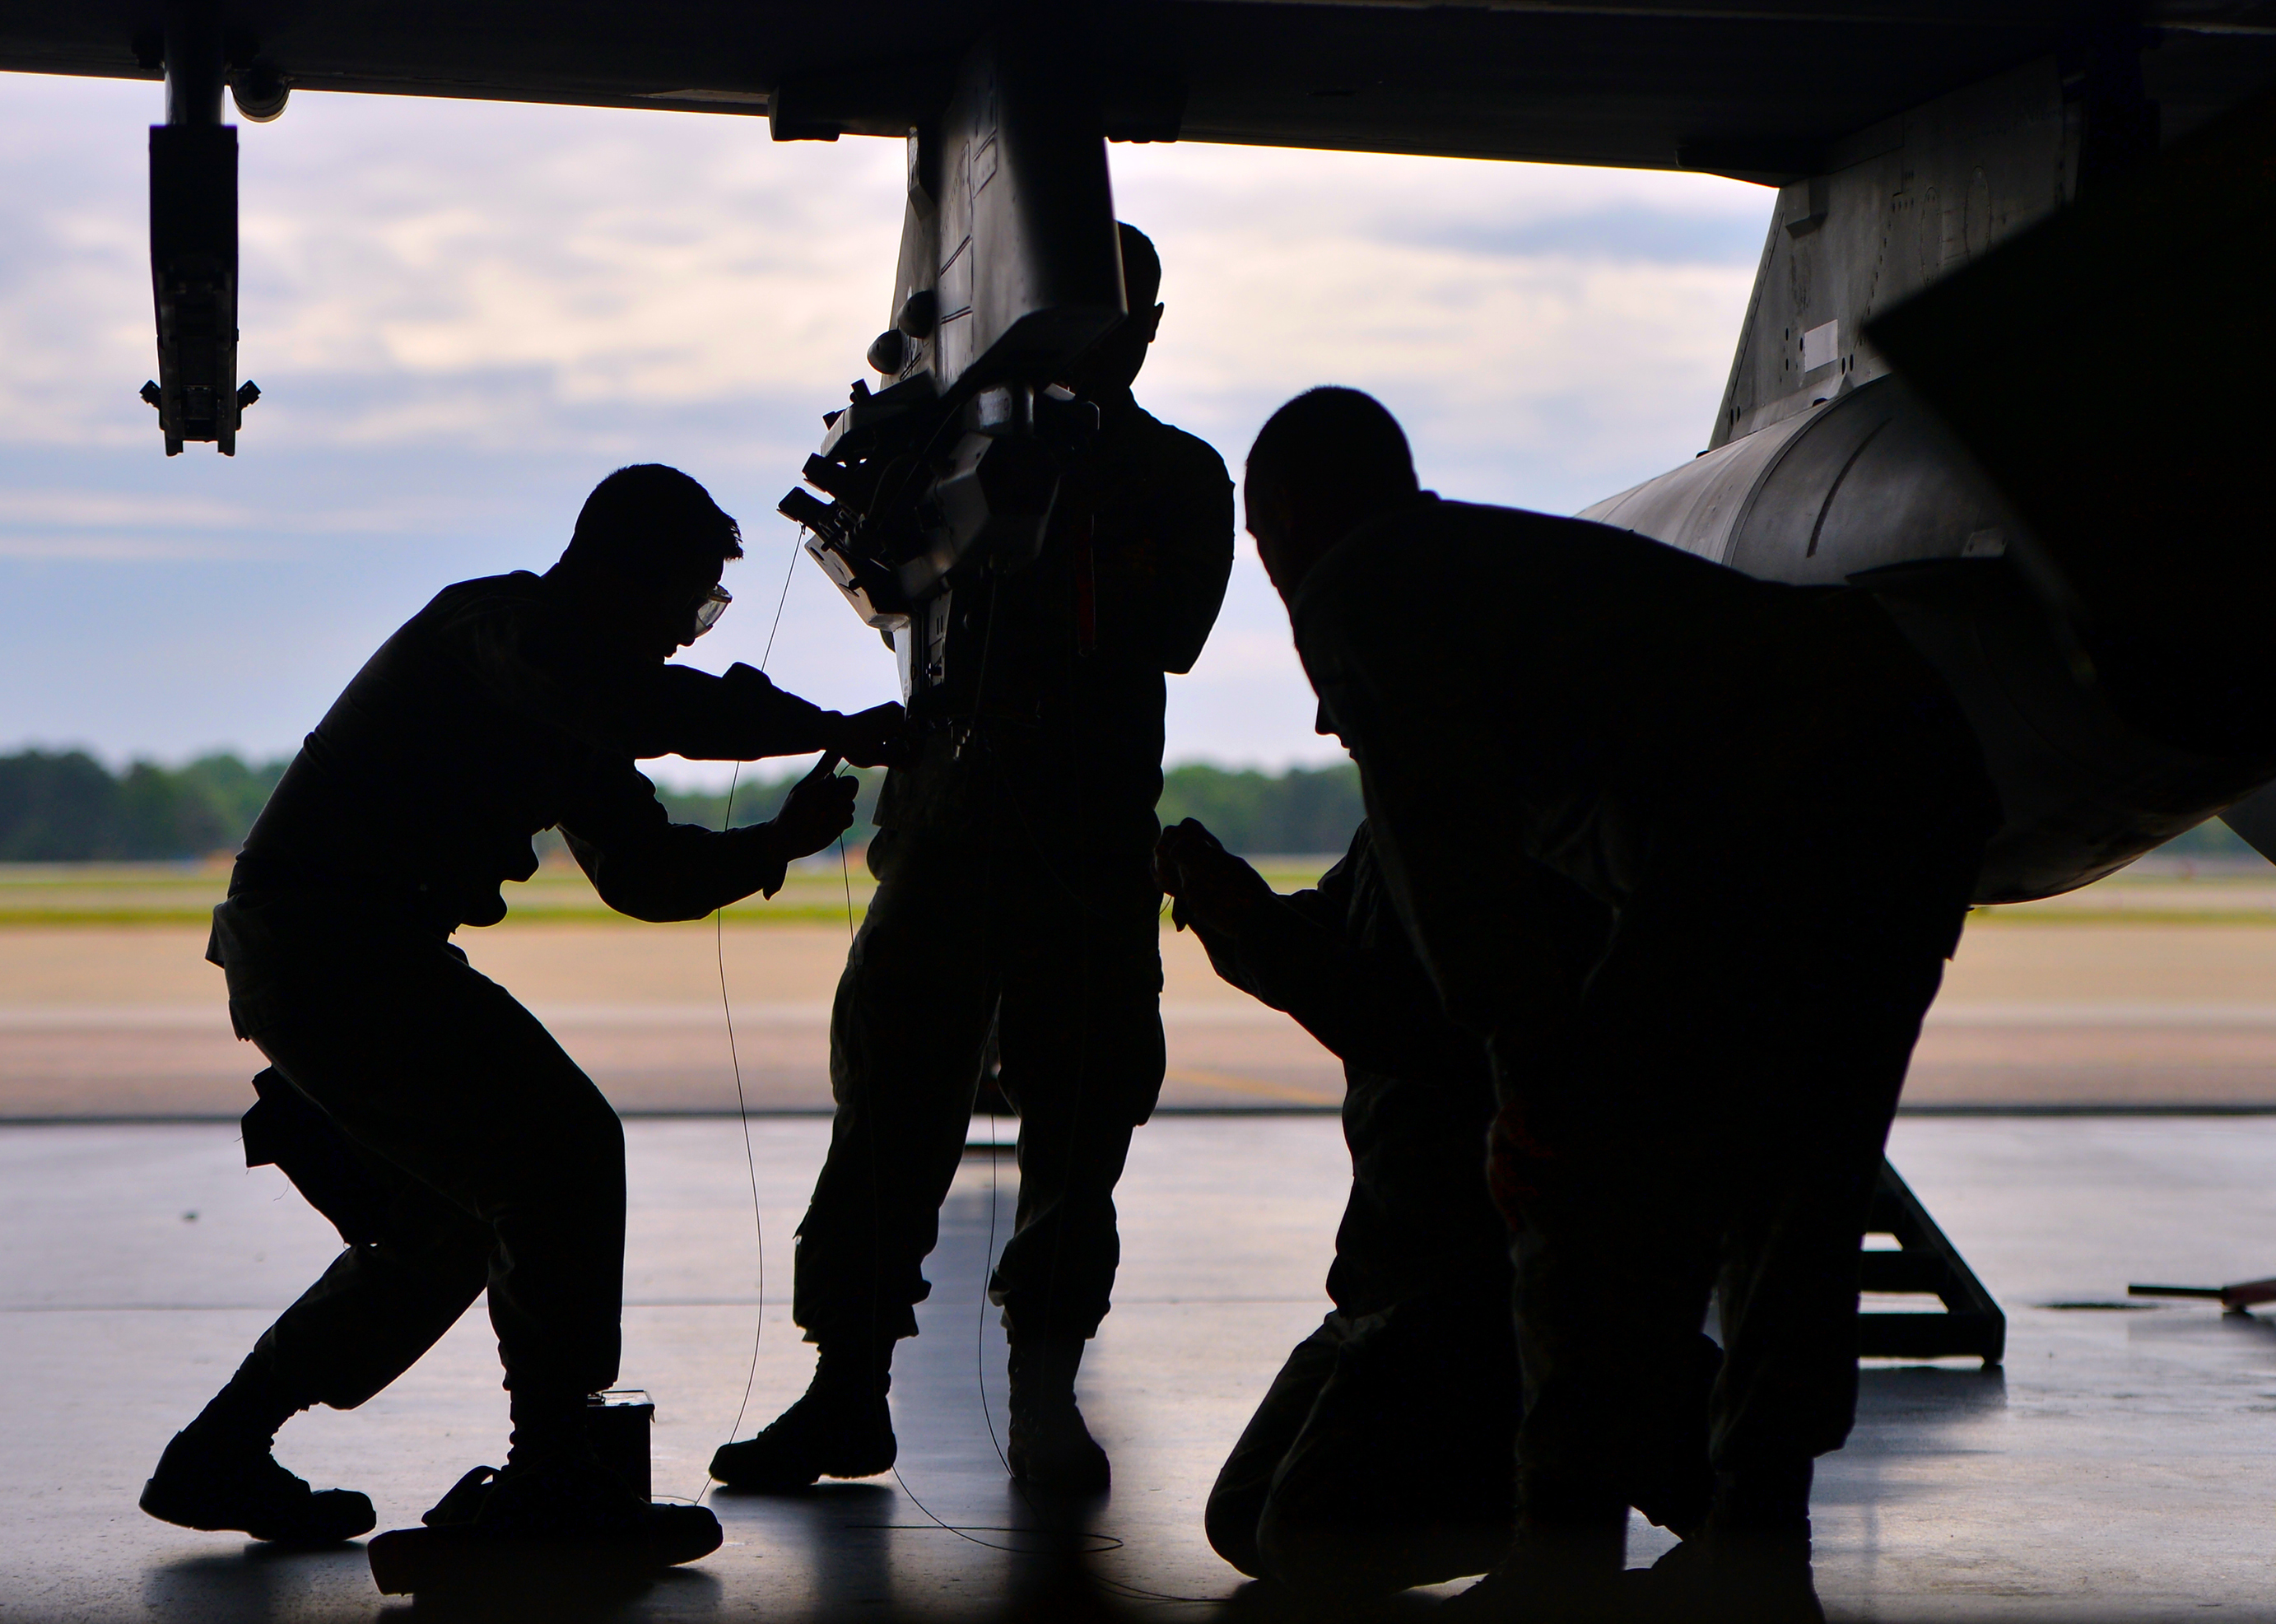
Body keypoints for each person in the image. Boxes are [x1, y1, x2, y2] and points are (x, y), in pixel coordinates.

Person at [1240, 388, 1997, 1620]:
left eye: (1262, 552)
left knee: (1576, 1172)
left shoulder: (1365, 585)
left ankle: (1566, 1547)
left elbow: (1451, 868)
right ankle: (1759, 1539)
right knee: (1796, 1185)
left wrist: (1525, 1078)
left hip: (1764, 823)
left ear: (1286, 527)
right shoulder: (1482, 562)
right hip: (1909, 773)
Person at [137, 464, 903, 1567]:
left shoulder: (570, 692)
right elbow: (644, 709)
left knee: (447, 1226)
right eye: (689, 601)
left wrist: (777, 841)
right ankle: (552, 1468)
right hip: (329, 947)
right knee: (564, 1151)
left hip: (342, 954)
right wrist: (826, 724)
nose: (690, 634)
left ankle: (220, 1450)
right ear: (624, 572)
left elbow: (644, 873)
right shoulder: (505, 631)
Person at [711, 225, 1236, 1495]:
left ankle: (1045, 1393)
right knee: (887, 1106)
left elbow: (1172, 632)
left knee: (1079, 1120)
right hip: (948, 829)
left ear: (1149, 329)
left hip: (1079, 831)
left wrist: (1067, 497)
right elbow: (884, 583)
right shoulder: (947, 444)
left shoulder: (1169, 472)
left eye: (1122, 315)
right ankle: (848, 1390)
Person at [1161, 816, 1714, 1599]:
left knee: (1308, 1540)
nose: (1327, 723)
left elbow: (1407, 1021)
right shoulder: (1397, 823)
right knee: (1245, 1520)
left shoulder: (1529, 844)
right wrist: (1229, 908)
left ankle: (1600, 1479)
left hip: (1471, 1277)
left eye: (1346, 695)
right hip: (1388, 1267)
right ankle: (1583, 1442)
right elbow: (1336, 943)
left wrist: (1247, 917)